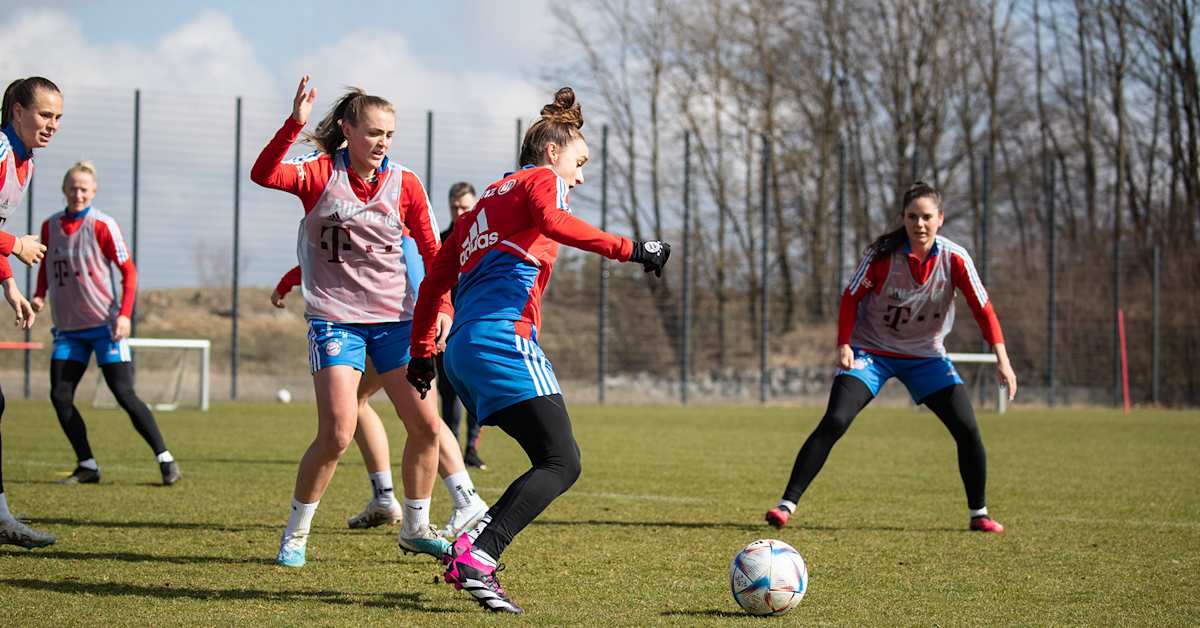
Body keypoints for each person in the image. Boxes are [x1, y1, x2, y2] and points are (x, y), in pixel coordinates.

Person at [406, 87, 671, 613]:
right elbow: (553, 221)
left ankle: (473, 541)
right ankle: (480, 558)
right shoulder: (541, 179)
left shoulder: (484, 202)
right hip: (504, 337)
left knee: (549, 457)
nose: (580, 176)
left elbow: (437, 274)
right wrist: (634, 249)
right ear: (554, 152)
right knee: (561, 461)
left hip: (462, 349)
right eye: (580, 162)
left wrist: (420, 352)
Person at [251, 75, 462, 567]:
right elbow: (264, 174)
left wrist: (445, 307)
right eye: (372, 132)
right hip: (336, 321)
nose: (382, 142)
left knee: (427, 426)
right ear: (348, 130)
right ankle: (296, 535)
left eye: (388, 133)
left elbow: (434, 253)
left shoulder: (405, 183)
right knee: (338, 432)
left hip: (397, 321)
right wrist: (294, 123)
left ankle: (414, 527)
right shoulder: (319, 172)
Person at [764, 181, 1016, 535]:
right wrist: (844, 344)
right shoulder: (882, 256)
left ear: (940, 219)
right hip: (872, 353)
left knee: (968, 429)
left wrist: (1002, 359)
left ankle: (979, 513)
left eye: (927, 217)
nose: (920, 224)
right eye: (913, 217)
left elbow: (983, 309)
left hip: (926, 357)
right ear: (904, 218)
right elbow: (850, 297)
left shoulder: (955, 259)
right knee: (836, 419)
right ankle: (786, 505)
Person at [272, 266, 487, 535]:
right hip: (378, 316)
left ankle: (465, 499)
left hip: (396, 319)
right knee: (366, 401)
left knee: (420, 416)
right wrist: (289, 280)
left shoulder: (408, 227)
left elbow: (417, 258)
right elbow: (341, 253)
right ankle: (387, 497)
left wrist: (439, 307)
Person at [31, 161, 181, 487]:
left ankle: (165, 459)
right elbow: (46, 268)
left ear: (94, 191)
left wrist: (125, 314)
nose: (78, 193)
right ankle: (87, 465)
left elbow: (129, 271)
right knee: (60, 395)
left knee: (124, 393)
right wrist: (39, 295)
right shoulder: (49, 226)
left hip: (105, 326)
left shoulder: (102, 225)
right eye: (73, 187)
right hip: (69, 331)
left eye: (84, 188)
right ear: (64, 189)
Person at [0, 77, 56, 549]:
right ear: (17, 111)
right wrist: (15, 246)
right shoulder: (0, 151)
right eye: (44, 115)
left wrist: (9, 285)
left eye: (58, 118)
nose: (52, 125)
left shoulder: (27, 163)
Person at [437, 182, 485, 470]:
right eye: (455, 207)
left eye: (465, 207)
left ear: (475, 206)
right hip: (445, 328)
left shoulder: (484, 241)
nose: (459, 212)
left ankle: (471, 449)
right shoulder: (440, 240)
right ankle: (451, 447)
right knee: (448, 391)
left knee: (475, 392)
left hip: (474, 328)